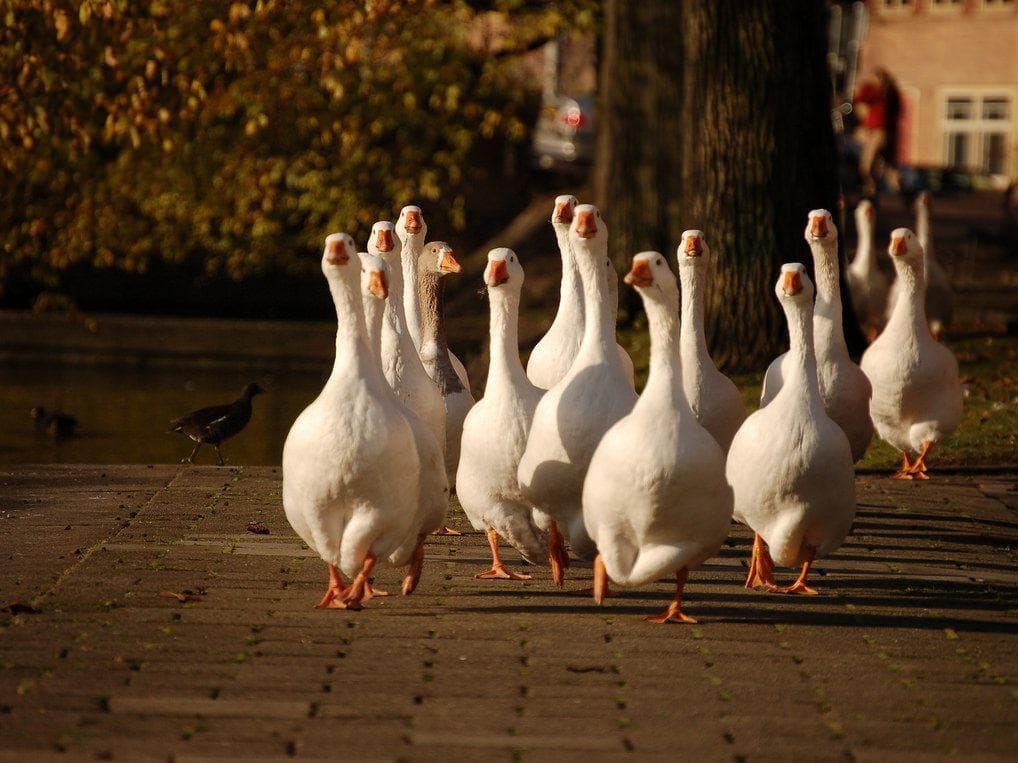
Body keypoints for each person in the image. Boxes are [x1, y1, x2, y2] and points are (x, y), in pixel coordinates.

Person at [854, 68, 902, 197]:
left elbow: (859, 102)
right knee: (888, 166)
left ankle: (869, 191)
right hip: (886, 132)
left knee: (866, 163)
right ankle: (905, 194)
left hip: (878, 132)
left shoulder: (878, 92)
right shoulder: (891, 93)